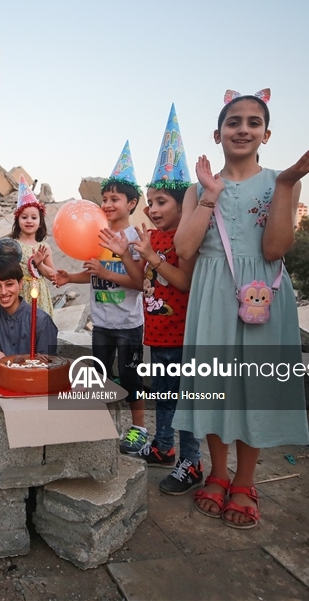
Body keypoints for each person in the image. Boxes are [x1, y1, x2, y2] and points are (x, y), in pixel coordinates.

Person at [171, 89, 309, 530]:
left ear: (266, 133)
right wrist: (209, 196)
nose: (242, 129)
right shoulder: (196, 187)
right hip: (212, 293)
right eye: (233, 121)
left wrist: (284, 184)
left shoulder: (284, 180)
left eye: (252, 122)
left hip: (263, 292)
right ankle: (217, 474)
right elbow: (184, 249)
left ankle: (245, 480)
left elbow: (276, 247)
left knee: (255, 385)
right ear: (217, 133)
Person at [115, 109, 203, 493]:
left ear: (183, 205)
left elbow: (184, 282)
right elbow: (143, 283)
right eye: (150, 201)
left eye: (161, 201)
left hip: (182, 335)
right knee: (165, 398)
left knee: (186, 403)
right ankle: (165, 448)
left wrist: (151, 257)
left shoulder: (184, 239)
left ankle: (191, 462)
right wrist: (129, 253)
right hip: (160, 335)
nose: (152, 207)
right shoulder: (155, 237)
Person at [54, 142, 147, 455]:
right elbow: (95, 273)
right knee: (100, 375)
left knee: (132, 378)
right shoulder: (94, 233)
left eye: (115, 199)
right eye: (104, 198)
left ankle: (139, 428)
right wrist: (71, 278)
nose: (107, 204)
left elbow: (137, 283)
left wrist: (104, 273)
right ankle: (98, 424)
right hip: (103, 323)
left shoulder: (135, 239)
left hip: (129, 323)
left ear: (132, 203)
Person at [10, 179, 57, 316]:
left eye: (34, 217)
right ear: (18, 221)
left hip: (39, 294)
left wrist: (40, 264)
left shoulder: (44, 247)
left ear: (40, 222)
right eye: (24, 217)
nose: (29, 221)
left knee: (38, 329)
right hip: (19, 293)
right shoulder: (13, 246)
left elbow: (52, 275)